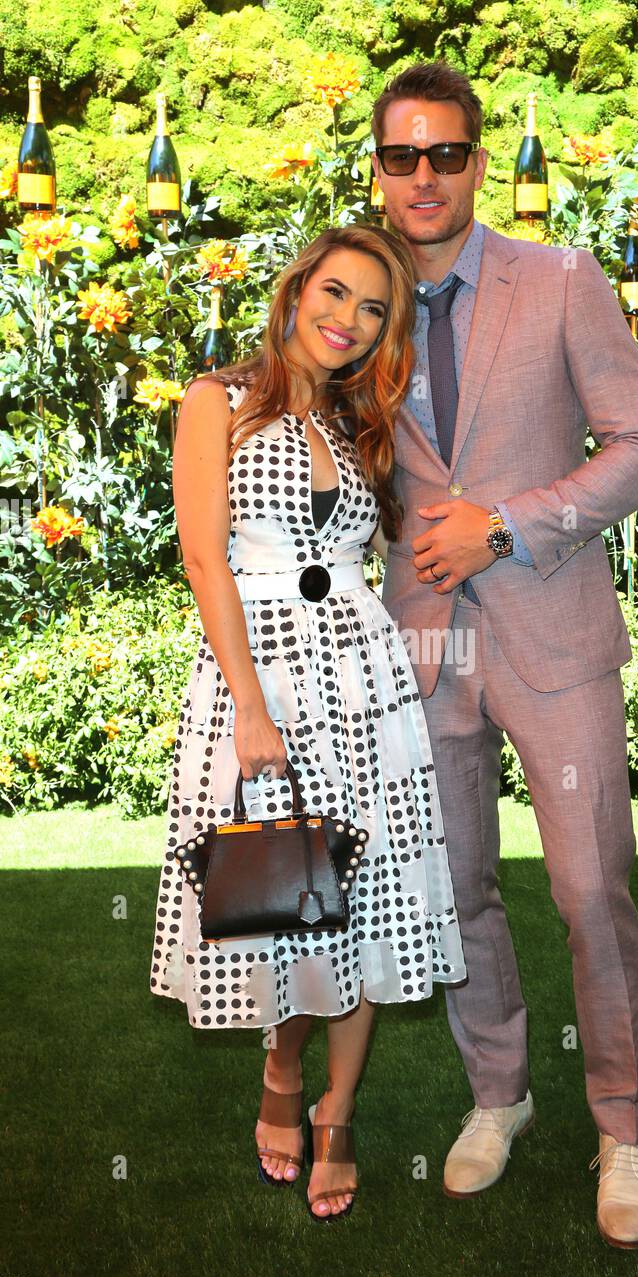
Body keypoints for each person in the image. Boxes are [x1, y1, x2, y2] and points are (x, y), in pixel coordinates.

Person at [371, 62, 638, 1248]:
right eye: (403, 157)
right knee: (455, 887)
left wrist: (506, 521)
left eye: (446, 154)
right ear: (382, 171)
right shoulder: (360, 302)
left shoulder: (560, 280)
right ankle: (498, 1094)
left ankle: (624, 1124)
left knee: (591, 888)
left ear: (479, 162)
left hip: (553, 628)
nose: (425, 176)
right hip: (424, 642)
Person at [149, 223, 467, 1221]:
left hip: (362, 675)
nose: (350, 321)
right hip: (264, 679)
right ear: (294, 294)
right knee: (283, 885)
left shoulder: (357, 421)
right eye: (336, 294)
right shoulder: (219, 402)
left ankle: (336, 1111)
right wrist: (249, 704)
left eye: (375, 310)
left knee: (361, 890)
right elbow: (206, 559)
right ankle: (281, 1073)